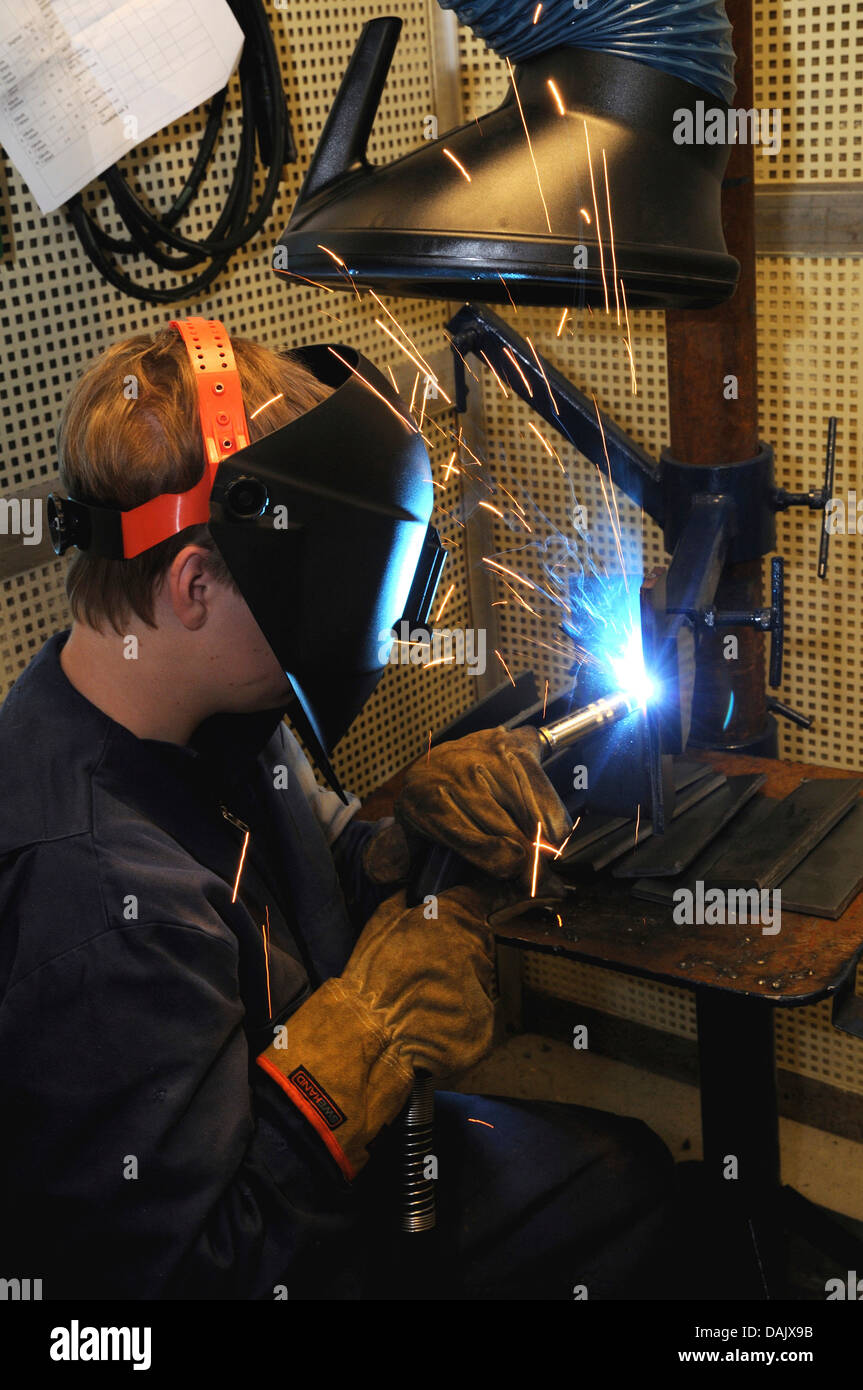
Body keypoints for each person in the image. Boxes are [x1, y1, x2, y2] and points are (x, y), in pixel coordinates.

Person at [0, 319, 675, 1301]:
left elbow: (307, 879)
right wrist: (361, 1048)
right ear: (194, 585)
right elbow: (196, 1273)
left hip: (322, 1170)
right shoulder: (94, 898)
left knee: (622, 1168)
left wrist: (399, 846)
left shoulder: (210, 709)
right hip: (275, 1238)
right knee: (627, 1200)